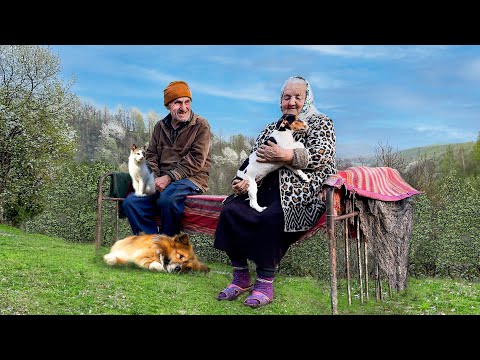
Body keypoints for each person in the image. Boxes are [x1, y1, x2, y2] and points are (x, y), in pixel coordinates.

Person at [213, 75, 337, 308]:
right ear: (280, 101)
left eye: (298, 97)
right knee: (230, 209)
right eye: (286, 97)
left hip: (300, 190)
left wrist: (287, 155)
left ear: (307, 99)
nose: (292, 102)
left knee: (271, 217)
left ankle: (264, 283)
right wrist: (240, 181)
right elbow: (252, 158)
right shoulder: (271, 128)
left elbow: (323, 155)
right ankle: (240, 278)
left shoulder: (321, 123)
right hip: (264, 187)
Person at [122, 80, 212, 237]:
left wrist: (169, 178)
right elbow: (151, 155)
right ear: (168, 106)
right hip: (161, 180)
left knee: (167, 200)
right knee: (131, 203)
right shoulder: (159, 126)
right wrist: (156, 178)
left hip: (192, 178)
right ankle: (151, 246)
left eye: (187, 102)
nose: (184, 108)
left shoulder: (201, 125)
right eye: (178, 103)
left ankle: (168, 248)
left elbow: (197, 159)